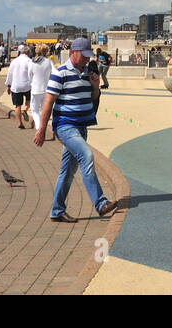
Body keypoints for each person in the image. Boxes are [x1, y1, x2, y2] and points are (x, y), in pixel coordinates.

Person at [35, 37, 117, 222]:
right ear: (73, 53)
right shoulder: (60, 73)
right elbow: (48, 103)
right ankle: (100, 203)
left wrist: (95, 87)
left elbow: (93, 96)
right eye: (83, 56)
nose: (86, 60)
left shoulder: (87, 72)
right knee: (87, 156)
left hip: (81, 127)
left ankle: (57, 210)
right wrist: (41, 130)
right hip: (65, 126)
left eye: (88, 56)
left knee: (68, 170)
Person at [6, 45, 38, 129]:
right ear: (28, 53)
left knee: (17, 105)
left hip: (16, 86)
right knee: (29, 101)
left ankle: (20, 123)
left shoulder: (14, 61)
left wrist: (8, 85)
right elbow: (32, 73)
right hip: (27, 85)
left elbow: (10, 74)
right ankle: (26, 110)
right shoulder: (29, 61)